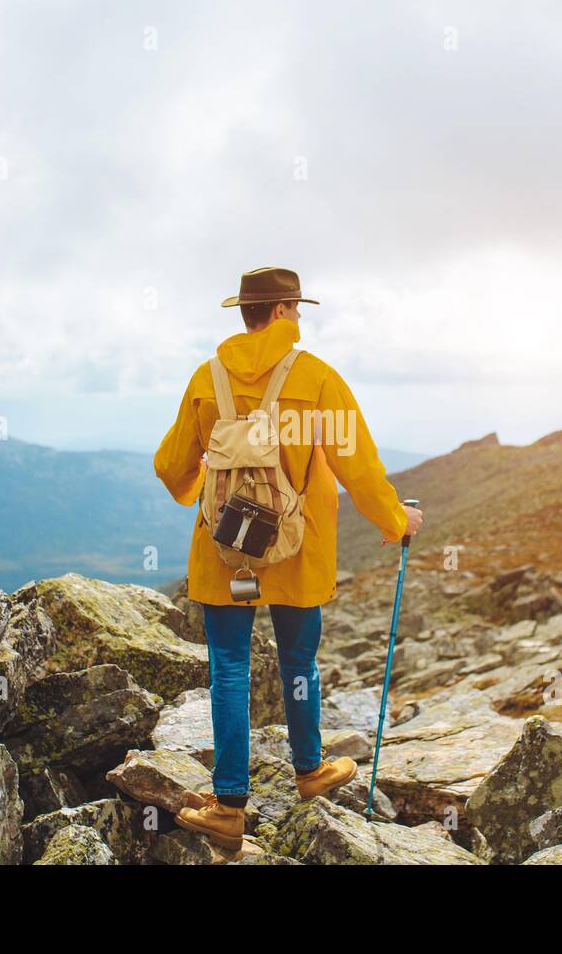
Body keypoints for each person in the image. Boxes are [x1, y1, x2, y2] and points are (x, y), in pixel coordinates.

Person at [154, 266, 423, 851]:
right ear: (280, 312)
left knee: (228, 667)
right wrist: (396, 521)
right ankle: (310, 771)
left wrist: (204, 483)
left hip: (226, 550)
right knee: (299, 663)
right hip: (297, 549)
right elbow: (360, 467)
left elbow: (171, 465)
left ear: (246, 313)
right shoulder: (319, 380)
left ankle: (228, 805)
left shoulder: (207, 379)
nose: (299, 319)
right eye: (296, 309)